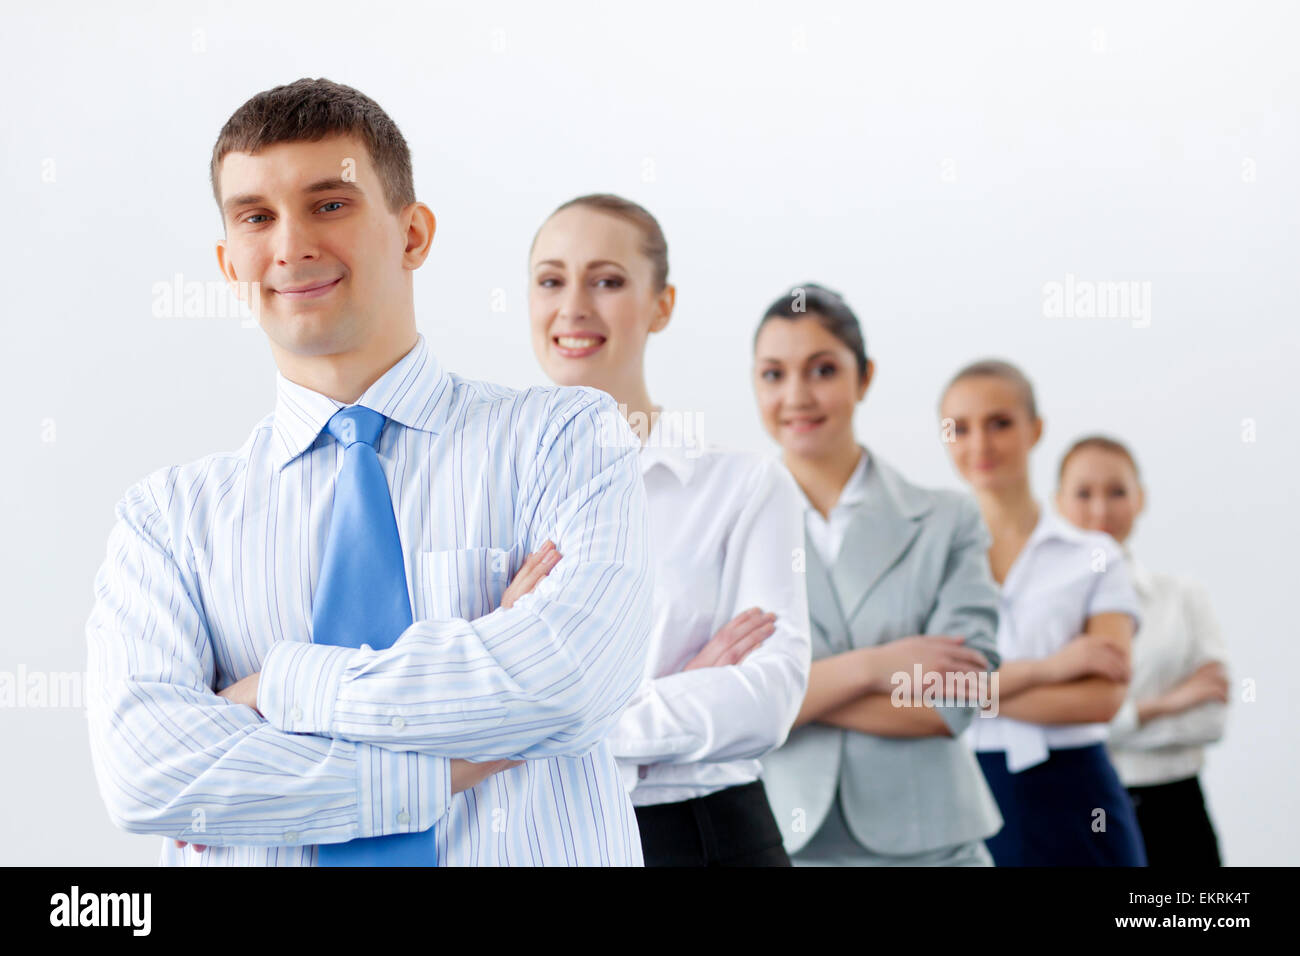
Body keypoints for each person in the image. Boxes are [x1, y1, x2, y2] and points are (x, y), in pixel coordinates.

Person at [83, 78, 655, 866]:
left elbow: (573, 680)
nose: (290, 247)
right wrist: (455, 760)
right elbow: (149, 775)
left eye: (329, 204)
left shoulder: (564, 438)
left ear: (413, 233)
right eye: (256, 217)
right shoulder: (168, 520)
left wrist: (276, 689)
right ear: (227, 261)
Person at [523, 193, 812, 866]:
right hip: (541, 837)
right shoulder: (491, 492)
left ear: (662, 305)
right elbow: (459, 695)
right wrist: (676, 695)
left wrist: (566, 722)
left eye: (608, 280)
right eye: (551, 280)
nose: (573, 307)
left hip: (702, 837)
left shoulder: (742, 487)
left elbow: (768, 696)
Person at [753, 283, 1004, 866]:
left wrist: (782, 696)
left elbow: (957, 701)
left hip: (933, 848)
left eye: (821, 370)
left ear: (863, 377)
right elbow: (715, 701)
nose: (796, 396)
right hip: (782, 844)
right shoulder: (727, 526)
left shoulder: (946, 519)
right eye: (772, 374)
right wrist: (877, 666)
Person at [938, 358, 1147, 866]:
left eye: (1000, 423)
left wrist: (968, 695)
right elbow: (919, 689)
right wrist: (1053, 671)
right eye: (960, 428)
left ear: (1036, 429)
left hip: (1078, 792)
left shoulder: (1094, 554)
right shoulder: (932, 561)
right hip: (964, 791)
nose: (980, 445)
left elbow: (1101, 699)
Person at [1056, 435, 1228, 866]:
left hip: (1177, 808)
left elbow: (1211, 718)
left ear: (1141, 499)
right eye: (1083, 493)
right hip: (1084, 807)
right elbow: (1050, 724)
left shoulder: (1183, 597)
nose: (1100, 509)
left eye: (1117, 491)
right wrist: (1172, 701)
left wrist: (1107, 718)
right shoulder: (1044, 614)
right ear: (1058, 503)